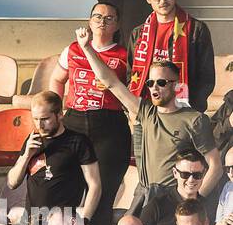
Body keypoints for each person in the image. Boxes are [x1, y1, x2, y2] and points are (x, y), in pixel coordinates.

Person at [76, 27, 220, 199]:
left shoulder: (194, 120)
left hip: (174, 200)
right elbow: (110, 82)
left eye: (161, 82)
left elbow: (215, 166)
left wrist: (195, 201)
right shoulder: (145, 112)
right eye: (150, 83)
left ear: (176, 85)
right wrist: (87, 48)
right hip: (145, 195)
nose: (154, 88)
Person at [52, 1, 135, 225]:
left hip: (110, 125)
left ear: (117, 25)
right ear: (89, 21)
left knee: (104, 191)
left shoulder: (123, 54)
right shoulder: (72, 49)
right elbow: (57, 80)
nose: (102, 21)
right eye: (97, 17)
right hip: (75, 120)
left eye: (109, 18)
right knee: (66, 186)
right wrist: (57, 113)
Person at [126, 0, 215, 113]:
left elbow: (206, 76)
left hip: (185, 110)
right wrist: (136, 109)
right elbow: (131, 75)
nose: (163, 1)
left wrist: (191, 109)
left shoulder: (196, 29)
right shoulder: (138, 34)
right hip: (146, 111)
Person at [6, 91, 102, 223]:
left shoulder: (78, 141)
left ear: (59, 115)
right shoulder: (33, 139)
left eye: (45, 119)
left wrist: (84, 221)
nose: (39, 125)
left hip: (62, 222)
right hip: (31, 220)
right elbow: (12, 183)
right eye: (35, 119)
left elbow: (95, 184)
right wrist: (27, 156)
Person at [139, 151, 217, 225]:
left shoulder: (209, 206)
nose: (191, 180)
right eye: (185, 174)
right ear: (175, 173)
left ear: (204, 174)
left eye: (197, 175)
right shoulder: (157, 205)